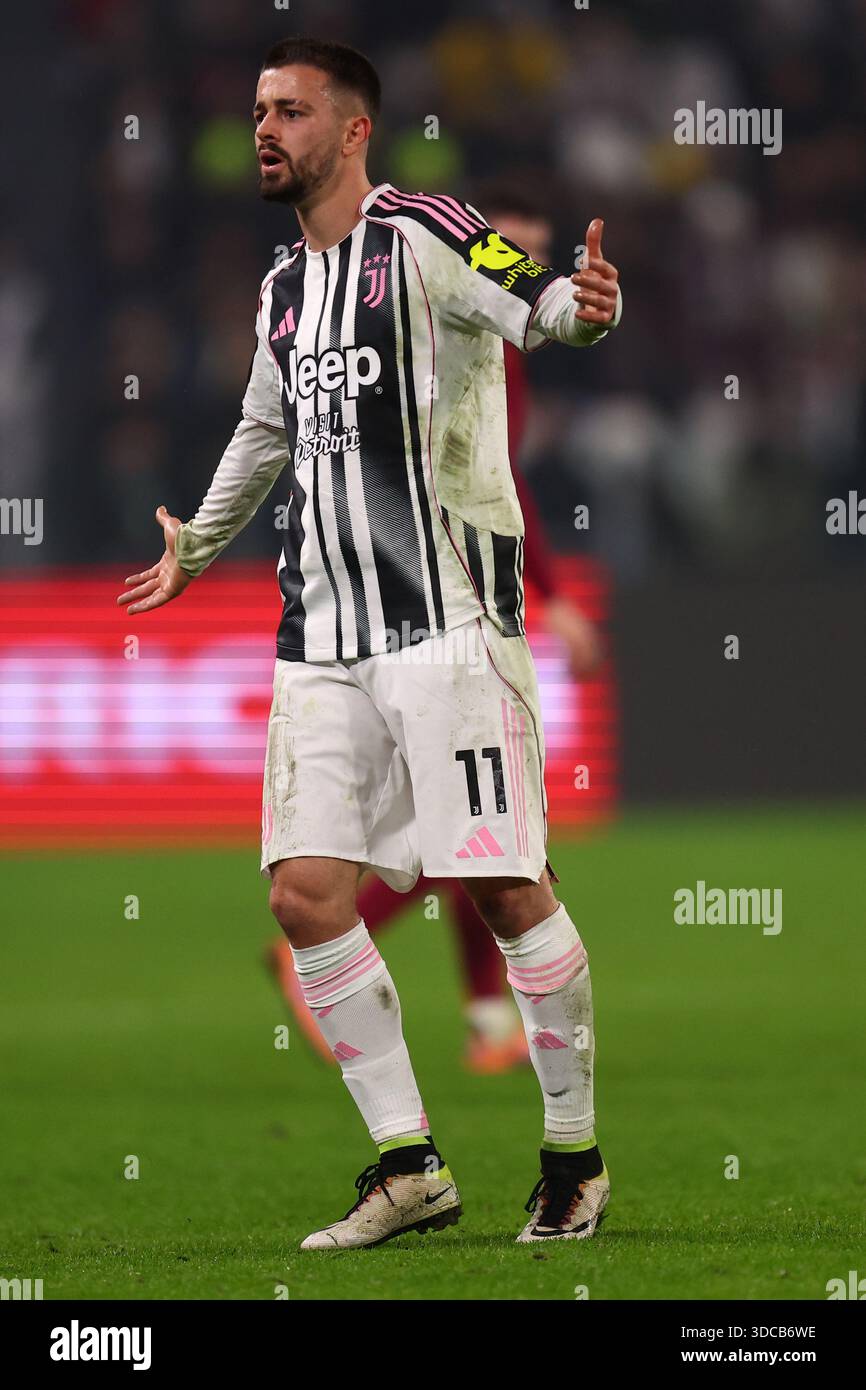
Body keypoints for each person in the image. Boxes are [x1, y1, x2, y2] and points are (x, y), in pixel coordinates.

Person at [117, 37, 622, 1250]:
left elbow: (534, 300)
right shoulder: (281, 286)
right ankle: (409, 1162)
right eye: (256, 110)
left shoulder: (424, 231)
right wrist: (200, 545)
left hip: (445, 622)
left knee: (502, 884)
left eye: (288, 110)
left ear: (351, 130)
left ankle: (573, 1157)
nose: (263, 129)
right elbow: (261, 427)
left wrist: (582, 308)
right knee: (303, 894)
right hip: (319, 635)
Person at [264, 181, 605, 1078]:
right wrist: (556, 594)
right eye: (513, 239)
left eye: (538, 241)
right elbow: (493, 482)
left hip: (421, 607)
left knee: (461, 831)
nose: (524, 256)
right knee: (475, 832)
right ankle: (491, 1029)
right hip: (433, 613)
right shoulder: (443, 318)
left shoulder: (492, 330)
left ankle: (485, 1013)